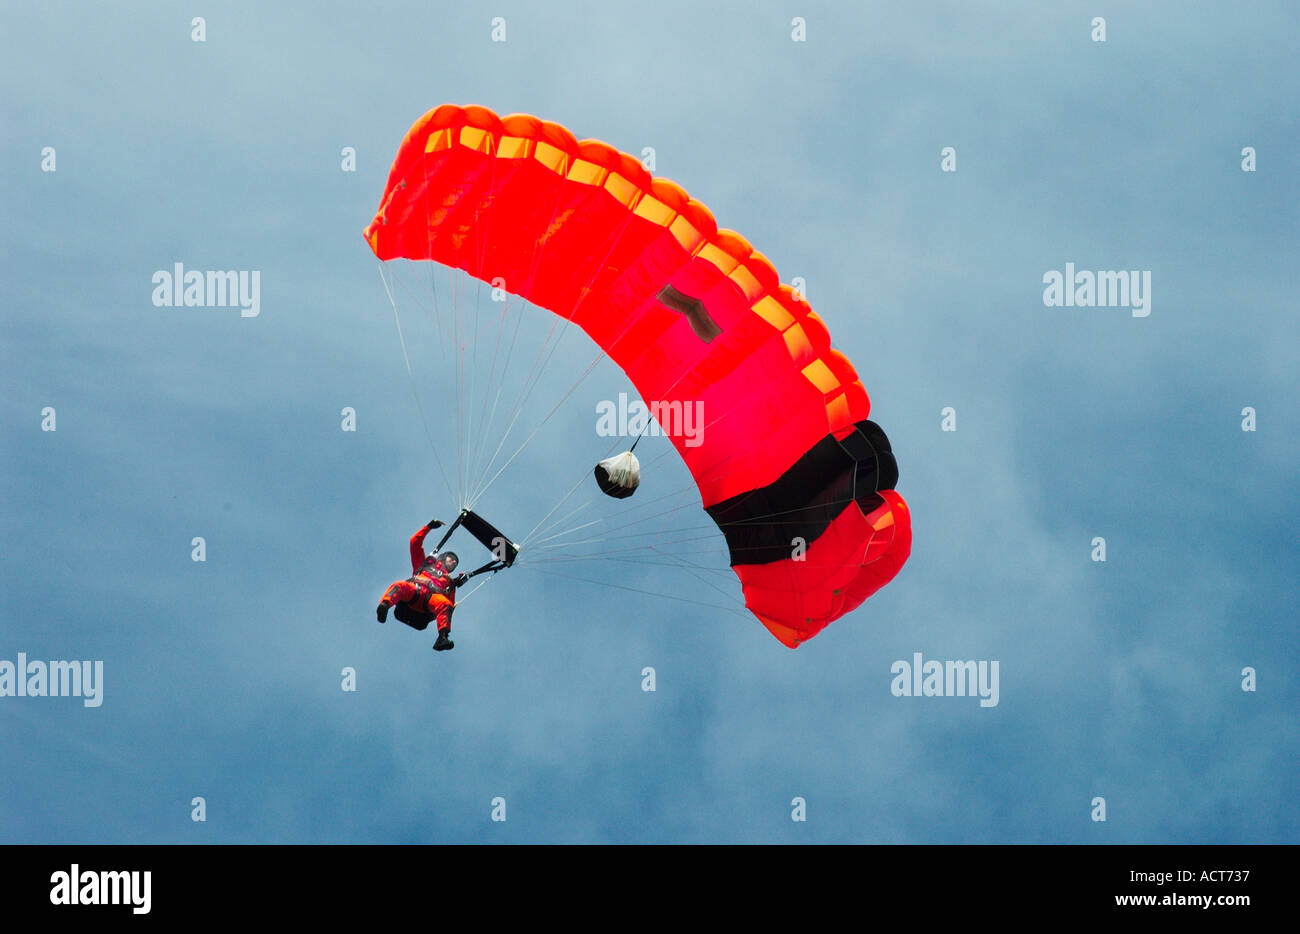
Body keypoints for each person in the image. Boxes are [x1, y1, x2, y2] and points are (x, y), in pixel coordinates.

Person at [376, 519, 468, 651]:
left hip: (429, 602)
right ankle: (384, 606)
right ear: (443, 557)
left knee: (445, 604)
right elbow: (414, 542)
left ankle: (442, 638)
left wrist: (456, 582)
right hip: (414, 592)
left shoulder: (449, 581)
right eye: (452, 558)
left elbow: (449, 604)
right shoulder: (424, 564)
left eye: (456, 562)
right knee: (400, 585)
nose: (454, 561)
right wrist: (428, 527)